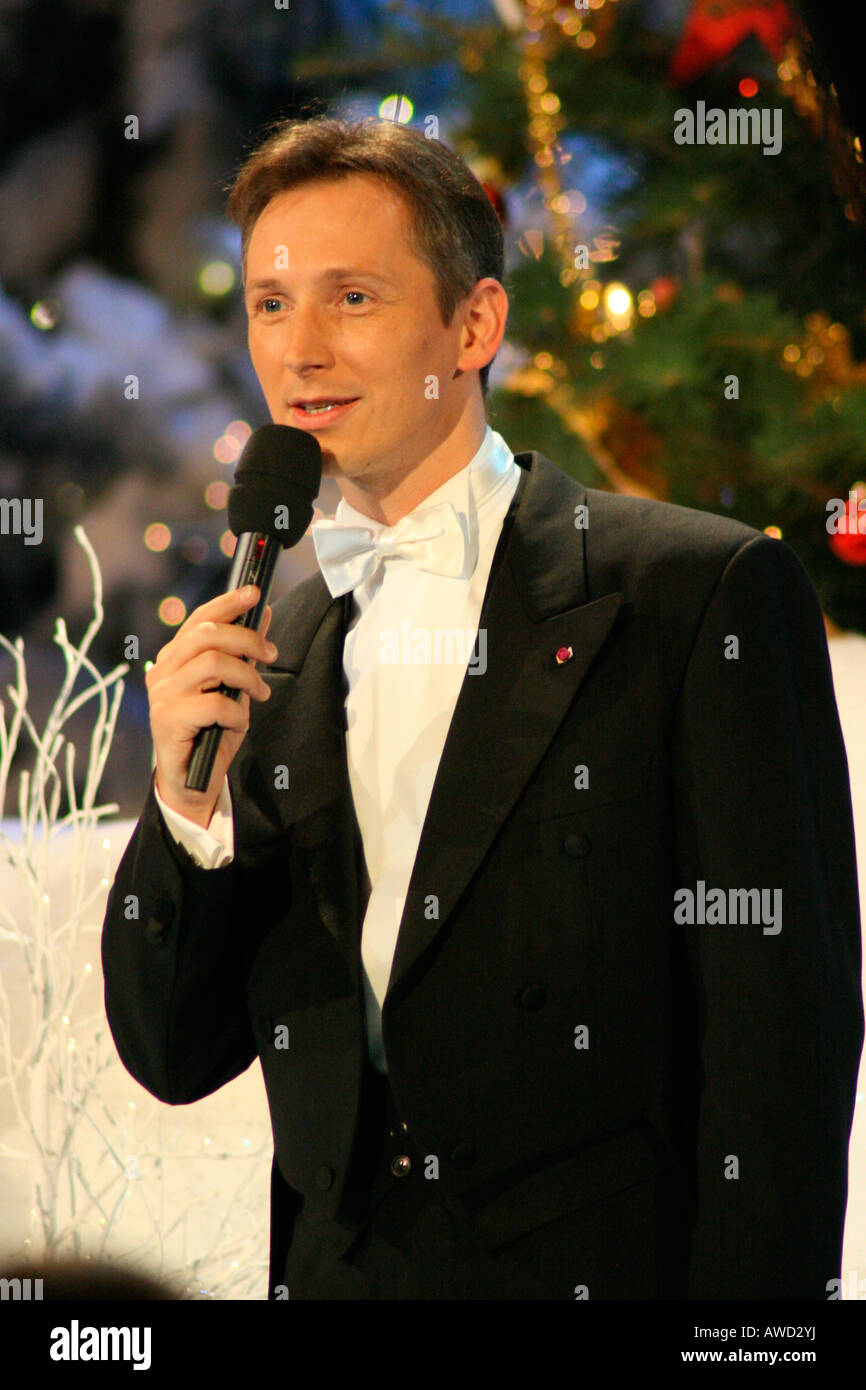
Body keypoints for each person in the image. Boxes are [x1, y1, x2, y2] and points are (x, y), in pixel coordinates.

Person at [101, 116, 863, 1300]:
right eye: (267, 303)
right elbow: (174, 1054)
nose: (298, 349)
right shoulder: (273, 647)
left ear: (474, 326)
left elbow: (781, 1059)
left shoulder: (686, 591)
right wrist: (185, 811)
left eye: (350, 298)